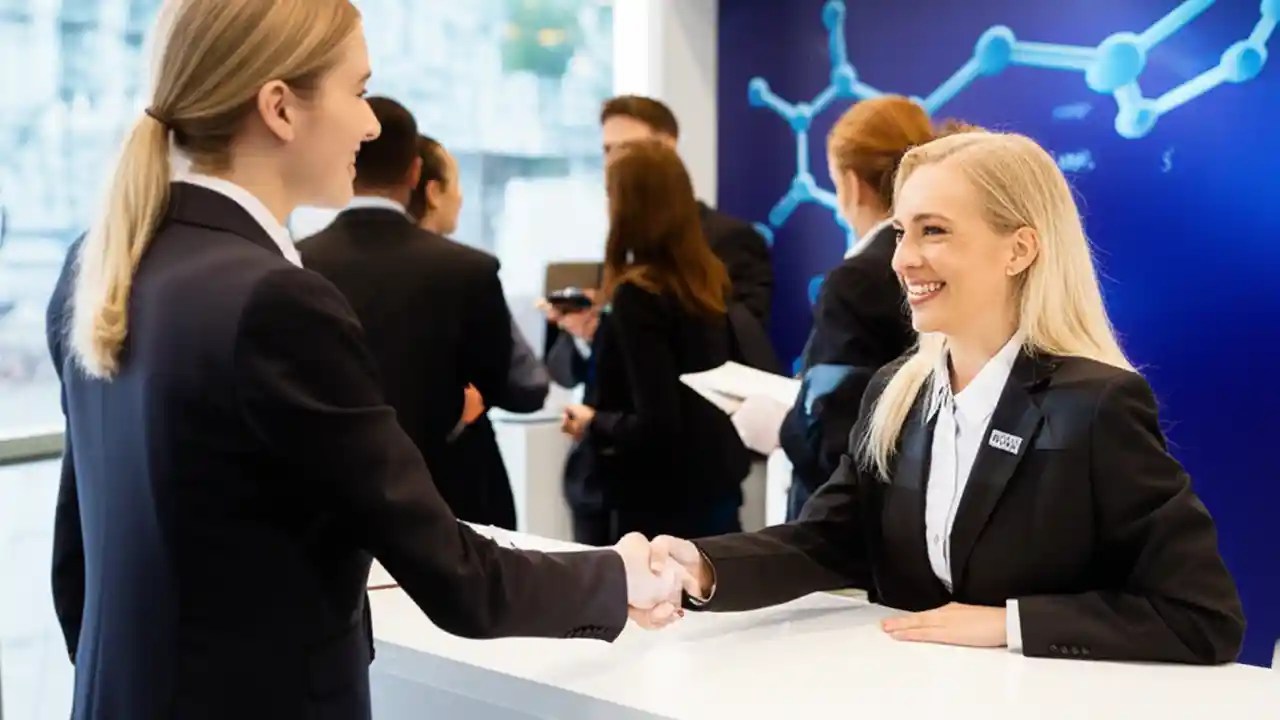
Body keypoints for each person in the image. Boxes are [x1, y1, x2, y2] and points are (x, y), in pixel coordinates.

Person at [44, 3, 679, 717]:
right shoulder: (274, 303)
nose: (371, 123)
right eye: (358, 90)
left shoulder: (100, 262)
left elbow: (78, 563)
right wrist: (616, 575)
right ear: (280, 108)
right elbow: (454, 575)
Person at [641, 131, 1245, 665]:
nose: (903, 258)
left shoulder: (1097, 404)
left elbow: (1201, 616)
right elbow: (828, 541)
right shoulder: (897, 395)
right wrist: (700, 565)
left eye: (935, 231)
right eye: (902, 231)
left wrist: (1008, 623)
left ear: (1020, 249)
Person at [299, 99, 522, 530]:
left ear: (348, 162)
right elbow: (498, 380)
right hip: (454, 496)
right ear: (416, 172)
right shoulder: (469, 269)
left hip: (337, 498)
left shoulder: (297, 260)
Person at [558, 140, 750, 546]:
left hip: (655, 506)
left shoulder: (638, 294)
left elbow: (656, 423)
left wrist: (594, 421)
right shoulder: (706, 282)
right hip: (710, 490)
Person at [774, 96, 935, 520]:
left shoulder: (857, 280)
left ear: (849, 184)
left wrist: (782, 425)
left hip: (848, 528)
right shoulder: (936, 261)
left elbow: (834, 444)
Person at [406, 133, 550, 414]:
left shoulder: (321, 261)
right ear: (434, 193)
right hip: (456, 449)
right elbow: (528, 384)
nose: (460, 198)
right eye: (456, 184)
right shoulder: (470, 272)